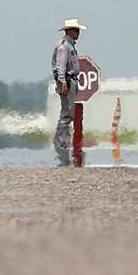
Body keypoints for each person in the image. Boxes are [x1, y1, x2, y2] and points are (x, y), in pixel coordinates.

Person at [52, 18, 87, 165]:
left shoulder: (70, 46)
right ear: (69, 31)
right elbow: (61, 66)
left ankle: (63, 141)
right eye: (76, 30)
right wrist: (63, 82)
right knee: (66, 114)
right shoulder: (64, 47)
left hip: (71, 80)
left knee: (69, 113)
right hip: (67, 80)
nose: (78, 33)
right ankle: (61, 143)